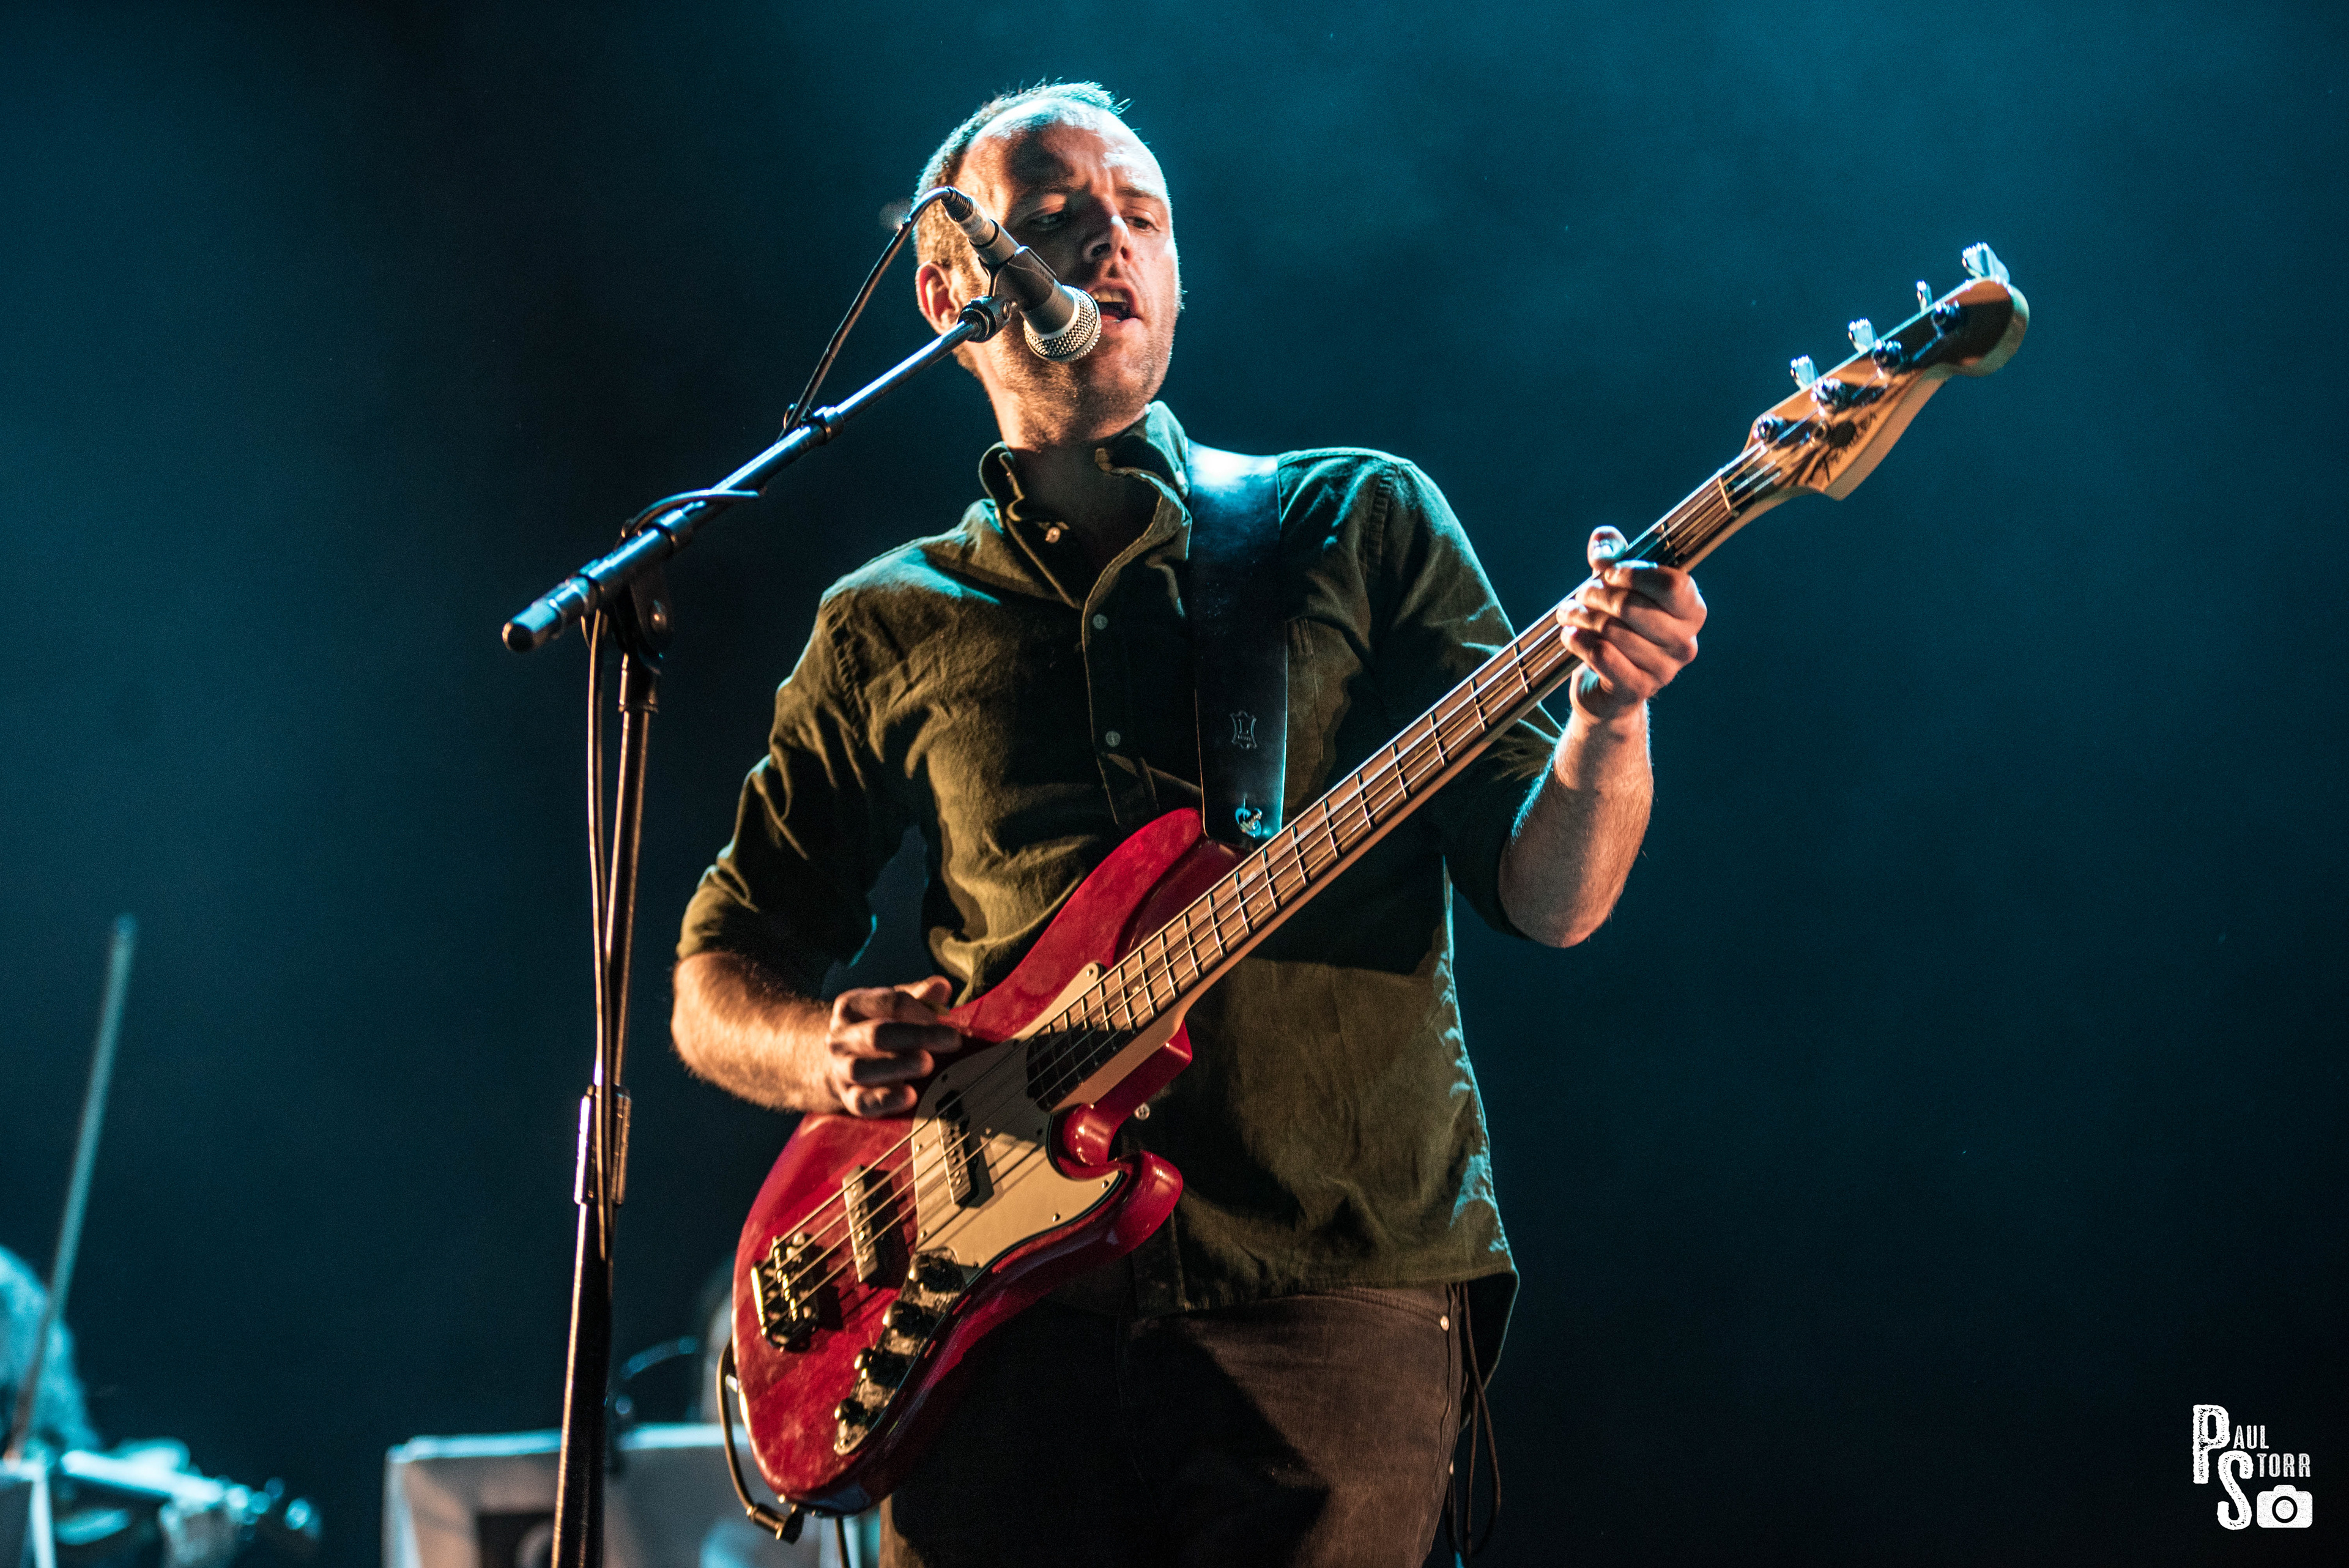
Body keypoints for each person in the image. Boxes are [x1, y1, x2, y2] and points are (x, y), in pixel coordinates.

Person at [669, 83, 1705, 1567]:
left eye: (1140, 219)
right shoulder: (886, 622)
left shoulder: (1353, 522)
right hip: (996, 1331)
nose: (1106, 246)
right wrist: (818, 1046)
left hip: (1322, 1296)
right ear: (950, 286)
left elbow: (1555, 893)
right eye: (1053, 220)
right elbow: (720, 975)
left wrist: (1610, 717)